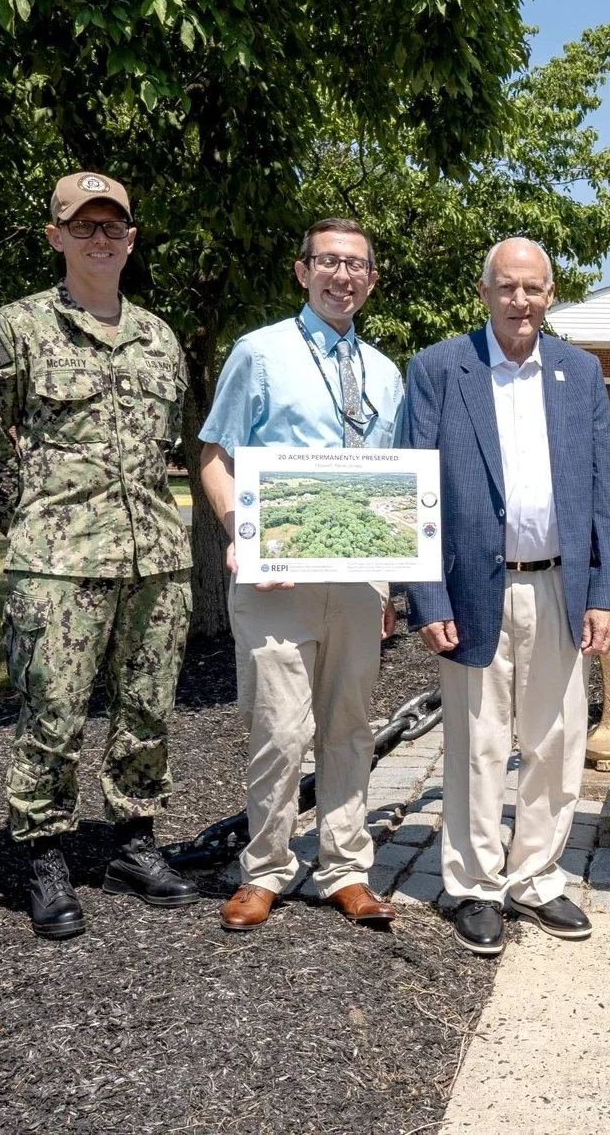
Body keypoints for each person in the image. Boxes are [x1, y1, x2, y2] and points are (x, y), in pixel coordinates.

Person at [0, 171, 198, 941]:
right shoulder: (12, 331)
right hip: (58, 563)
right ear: (55, 236)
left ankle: (133, 842)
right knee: (52, 716)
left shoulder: (159, 336)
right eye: (83, 226)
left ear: (130, 238)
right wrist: (31, 516)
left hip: (155, 558)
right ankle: (42, 854)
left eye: (112, 226)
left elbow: (166, 443)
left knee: (146, 710)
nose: (100, 238)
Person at [404, 238, 610, 957]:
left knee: (556, 739)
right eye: (507, 287)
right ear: (484, 292)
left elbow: (602, 490)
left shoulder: (578, 373)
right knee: (477, 743)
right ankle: (474, 885)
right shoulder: (440, 369)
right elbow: (413, 488)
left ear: (550, 295)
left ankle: (535, 876)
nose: (520, 301)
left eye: (533, 288)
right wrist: (427, 596)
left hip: (560, 584)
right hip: (473, 587)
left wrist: (604, 591)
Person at [195, 217, 405, 932]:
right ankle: (265, 870)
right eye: (328, 262)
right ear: (302, 270)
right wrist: (241, 534)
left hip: (357, 581)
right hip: (276, 578)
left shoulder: (386, 373)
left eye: (356, 265)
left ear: (371, 279)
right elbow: (214, 455)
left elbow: (389, 484)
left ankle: (346, 869)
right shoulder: (260, 354)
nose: (342, 276)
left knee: (349, 728)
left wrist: (388, 582)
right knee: (280, 731)